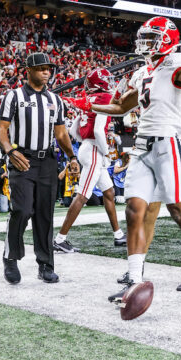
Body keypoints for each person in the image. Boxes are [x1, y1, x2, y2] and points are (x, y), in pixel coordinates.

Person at [71, 16, 181, 299]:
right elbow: (122, 106)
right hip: (143, 145)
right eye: (143, 38)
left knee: (178, 208)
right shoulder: (142, 72)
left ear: (167, 39)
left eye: (151, 38)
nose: (145, 43)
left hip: (171, 142)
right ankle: (134, 276)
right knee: (134, 209)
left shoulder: (176, 62)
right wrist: (90, 105)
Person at [0, 52, 77, 285]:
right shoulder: (14, 96)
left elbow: (61, 134)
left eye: (48, 68)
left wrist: (72, 157)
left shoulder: (55, 99)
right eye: (41, 68)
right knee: (21, 210)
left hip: (48, 162)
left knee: (45, 215)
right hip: (22, 158)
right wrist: (10, 151)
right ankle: (10, 258)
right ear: (28, 70)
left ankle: (45, 265)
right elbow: (0, 129)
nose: (46, 72)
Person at [54, 68, 125, 254]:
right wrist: (107, 153)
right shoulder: (103, 99)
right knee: (83, 195)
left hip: (87, 146)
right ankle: (60, 239)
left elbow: (74, 129)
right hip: (94, 149)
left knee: (109, 192)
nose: (109, 83)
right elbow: (100, 131)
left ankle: (118, 235)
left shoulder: (89, 99)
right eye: (106, 80)